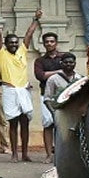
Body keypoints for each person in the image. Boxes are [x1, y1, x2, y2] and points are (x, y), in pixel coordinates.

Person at [0, 4, 42, 162]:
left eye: (15, 42)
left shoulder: (21, 51)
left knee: (25, 123)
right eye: (10, 43)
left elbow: (29, 34)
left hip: (24, 90)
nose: (13, 44)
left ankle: (25, 153)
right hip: (9, 91)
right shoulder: (1, 53)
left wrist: (35, 19)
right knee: (13, 124)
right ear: (5, 44)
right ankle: (14, 153)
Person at [34, 31, 63, 163]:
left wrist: (48, 74)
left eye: (52, 41)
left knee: (61, 125)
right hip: (45, 95)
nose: (49, 44)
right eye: (47, 42)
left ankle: (60, 154)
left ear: (56, 43)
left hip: (63, 96)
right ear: (44, 44)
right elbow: (40, 76)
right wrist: (58, 72)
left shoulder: (63, 58)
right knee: (48, 124)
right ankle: (48, 155)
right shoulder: (40, 61)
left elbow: (69, 72)